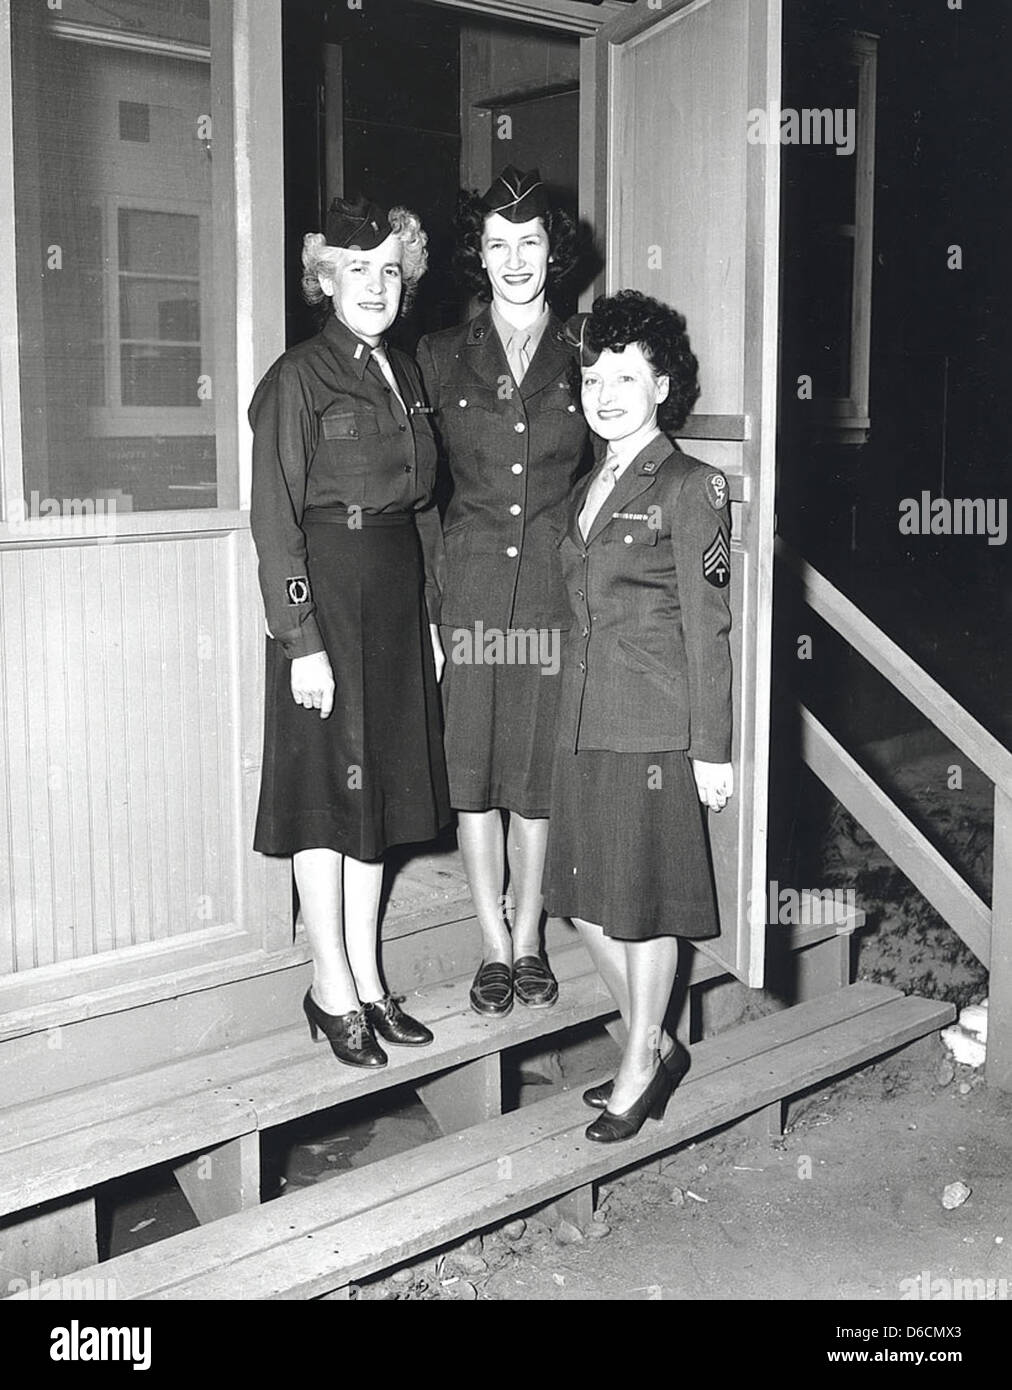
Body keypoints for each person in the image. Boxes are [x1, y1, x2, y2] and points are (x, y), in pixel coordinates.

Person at [249, 195, 450, 1069]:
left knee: (377, 807)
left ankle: (369, 982)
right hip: (328, 601)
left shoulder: (404, 372)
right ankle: (329, 986)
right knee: (330, 804)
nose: (375, 286)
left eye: (390, 272)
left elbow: (428, 510)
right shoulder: (297, 378)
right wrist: (302, 640)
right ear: (324, 277)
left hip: (396, 600)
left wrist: (436, 619)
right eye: (355, 270)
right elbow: (274, 522)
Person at [542, 289, 734, 1142]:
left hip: (654, 728)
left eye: (626, 376)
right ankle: (653, 1044)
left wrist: (712, 748)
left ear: (662, 385)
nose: (606, 393)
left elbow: (709, 625)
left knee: (642, 906)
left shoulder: (694, 487)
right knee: (582, 900)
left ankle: (638, 1058)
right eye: (593, 378)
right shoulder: (589, 487)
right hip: (582, 721)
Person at [416, 166, 590, 1018]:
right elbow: (414, 490)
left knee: (537, 776)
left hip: (558, 596)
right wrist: (431, 604)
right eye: (497, 244)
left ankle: (530, 939)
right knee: (476, 772)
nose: (514, 259)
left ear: (553, 252)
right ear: (477, 256)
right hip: (475, 592)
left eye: (530, 242)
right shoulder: (442, 355)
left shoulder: (591, 350)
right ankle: (491, 944)